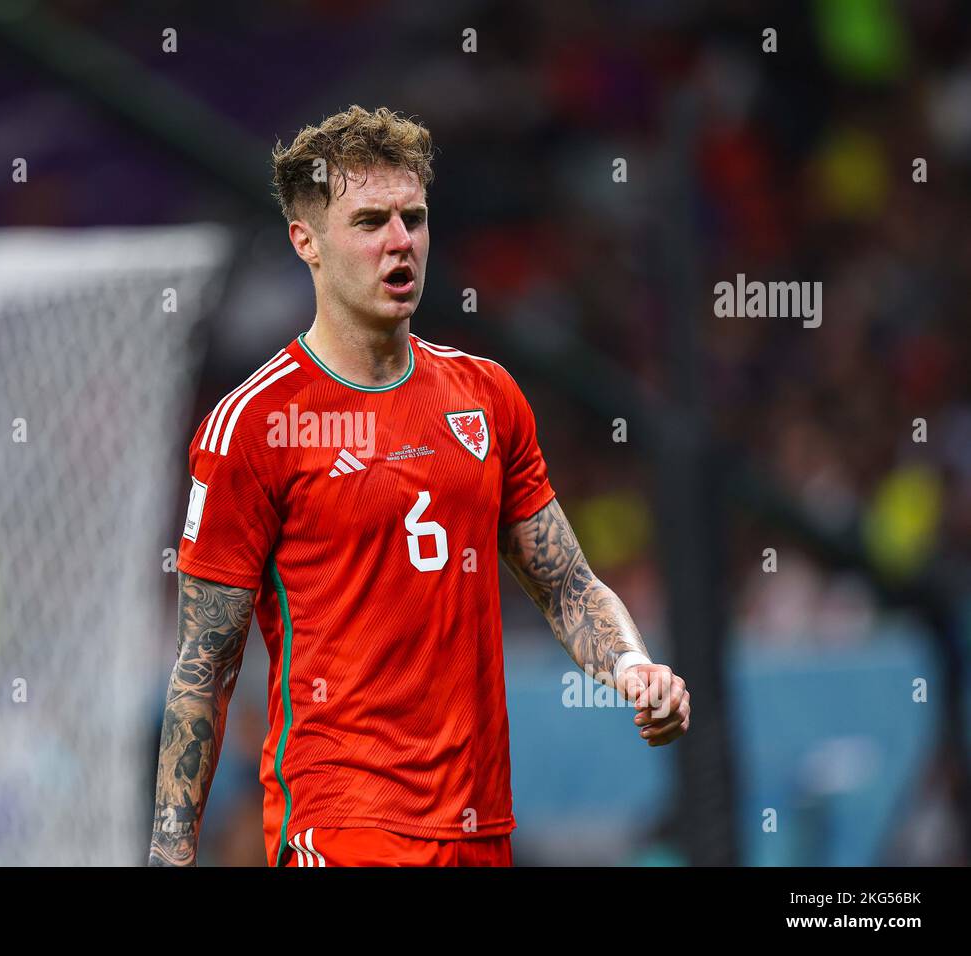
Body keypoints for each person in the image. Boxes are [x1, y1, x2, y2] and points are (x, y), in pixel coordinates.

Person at [147, 105, 690, 867]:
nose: (400, 242)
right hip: (342, 830)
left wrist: (632, 668)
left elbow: (568, 585)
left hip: (479, 831)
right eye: (371, 221)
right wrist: (170, 855)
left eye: (415, 218)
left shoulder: (486, 397)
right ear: (305, 240)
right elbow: (203, 667)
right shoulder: (256, 424)